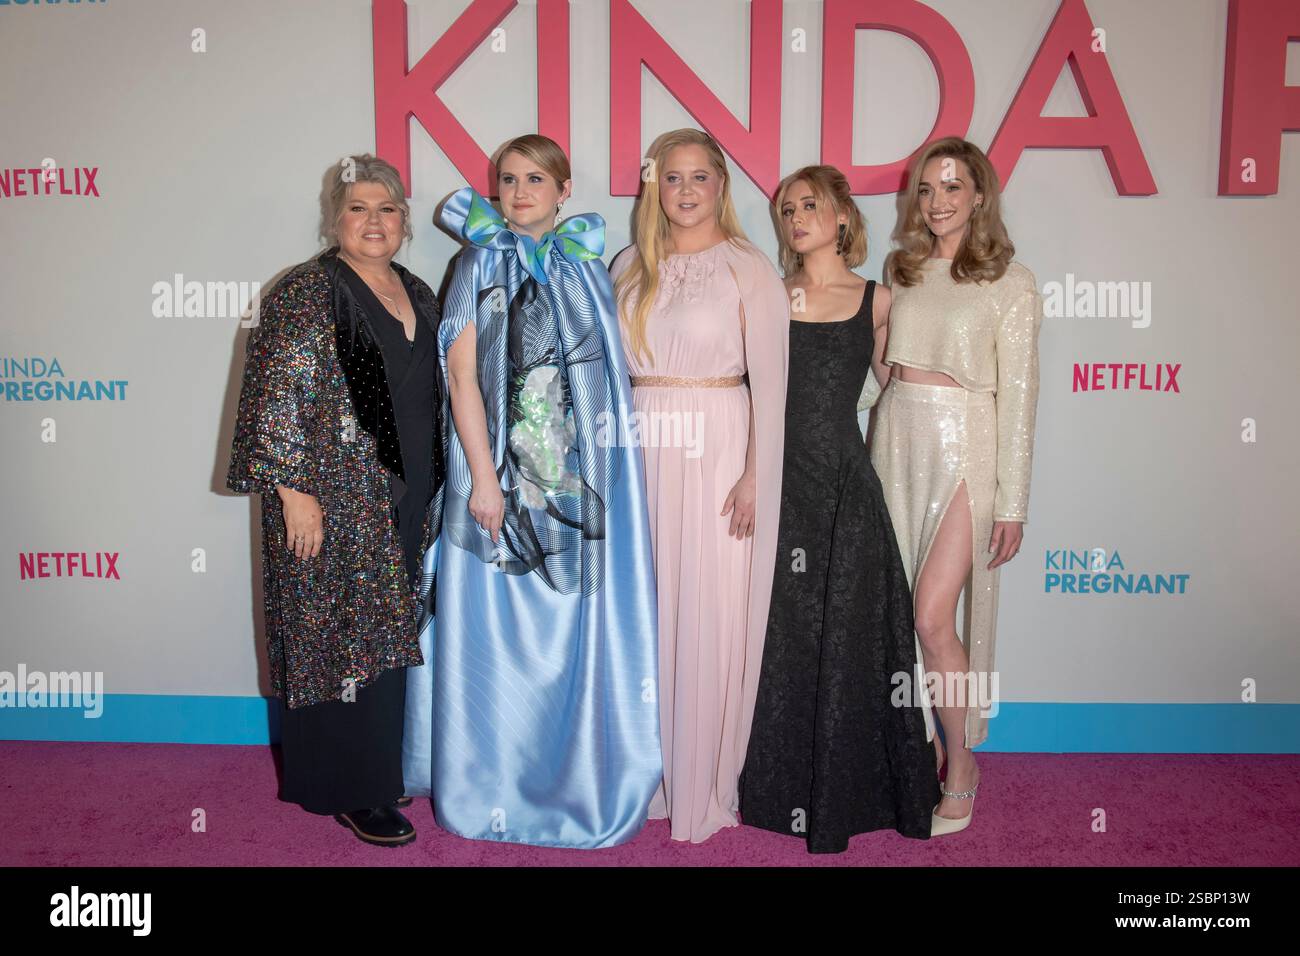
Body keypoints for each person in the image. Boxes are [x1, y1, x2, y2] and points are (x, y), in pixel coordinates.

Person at [402, 134, 661, 848]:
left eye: (535, 179)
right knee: (496, 640)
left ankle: (579, 777)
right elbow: (462, 378)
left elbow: (604, 382)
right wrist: (484, 480)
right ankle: (491, 785)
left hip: (578, 490)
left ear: (563, 188)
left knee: (573, 630)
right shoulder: (475, 262)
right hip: (493, 483)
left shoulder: (586, 268)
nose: (520, 192)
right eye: (508, 180)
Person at [227, 154, 443, 847]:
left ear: (405, 222)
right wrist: (295, 494)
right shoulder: (305, 292)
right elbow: (273, 401)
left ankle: (373, 767)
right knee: (334, 641)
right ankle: (350, 789)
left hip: (405, 495)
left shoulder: (418, 289)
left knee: (384, 634)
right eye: (358, 208)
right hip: (330, 501)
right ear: (333, 219)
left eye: (387, 209)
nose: (373, 221)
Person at [740, 165, 938, 852]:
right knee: (782, 637)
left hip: (846, 489)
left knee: (851, 638)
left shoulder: (880, 301)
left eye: (811, 206)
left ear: (843, 217)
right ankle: (777, 790)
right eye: (787, 208)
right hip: (779, 484)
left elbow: (900, 397)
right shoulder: (768, 293)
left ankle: (851, 793)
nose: (797, 217)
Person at [611, 128, 788, 843]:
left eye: (700, 178)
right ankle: (646, 773)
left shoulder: (750, 266)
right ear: (655, 186)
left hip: (719, 443)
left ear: (721, 185)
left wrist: (755, 475)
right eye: (672, 178)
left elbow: (773, 387)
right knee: (648, 612)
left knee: (710, 610)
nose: (685, 192)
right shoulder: (628, 263)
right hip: (640, 446)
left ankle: (706, 780)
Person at [867, 136, 1043, 835]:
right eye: (928, 189)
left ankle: (961, 763)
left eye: (953, 188)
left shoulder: (1011, 281)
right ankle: (917, 754)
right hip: (895, 436)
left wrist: (1013, 502)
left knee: (932, 617)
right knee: (896, 616)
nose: (939, 201)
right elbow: (887, 369)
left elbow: (1021, 397)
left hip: (967, 443)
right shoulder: (901, 269)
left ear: (979, 196)